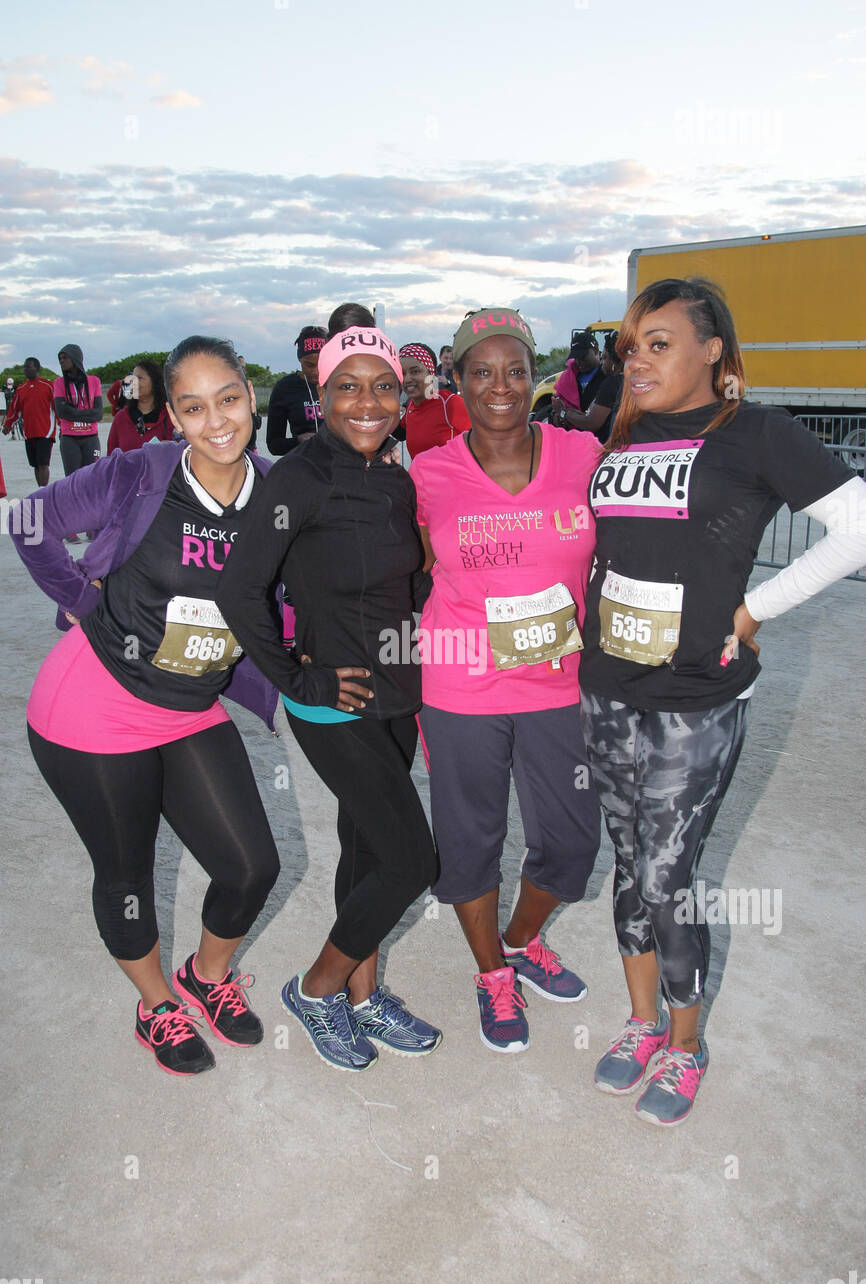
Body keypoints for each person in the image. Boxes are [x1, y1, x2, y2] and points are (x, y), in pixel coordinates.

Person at [578, 276, 866, 1125]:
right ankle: (640, 1022)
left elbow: (858, 527)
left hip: (694, 698)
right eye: (631, 346)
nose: (636, 360)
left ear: (713, 350)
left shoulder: (757, 433)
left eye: (659, 343)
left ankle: (685, 1042)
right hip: (607, 686)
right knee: (629, 867)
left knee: (669, 878)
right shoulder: (620, 437)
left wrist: (753, 611)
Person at [9, 336, 281, 1078]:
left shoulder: (280, 492)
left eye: (228, 398)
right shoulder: (142, 472)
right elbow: (30, 521)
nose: (216, 419)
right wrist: (79, 598)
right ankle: (156, 1003)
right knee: (127, 875)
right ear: (175, 414)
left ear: (249, 397)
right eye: (194, 406)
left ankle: (208, 974)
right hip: (92, 705)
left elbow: (291, 599)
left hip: (191, 705)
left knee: (252, 866)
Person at [218, 325, 441, 1071]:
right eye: (349, 386)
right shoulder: (299, 477)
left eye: (384, 387)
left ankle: (362, 992)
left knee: (369, 848)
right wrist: (296, 678)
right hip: (331, 700)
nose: (368, 402)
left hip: (395, 692)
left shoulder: (395, 476)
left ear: (403, 397)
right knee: (413, 863)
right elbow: (238, 588)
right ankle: (317, 990)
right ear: (320, 395)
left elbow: (405, 584)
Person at [411, 308, 602, 1052]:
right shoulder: (427, 472)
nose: (501, 386)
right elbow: (398, 566)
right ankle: (492, 972)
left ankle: (522, 941)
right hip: (460, 683)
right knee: (470, 837)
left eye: (516, 370)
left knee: (572, 841)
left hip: (559, 681)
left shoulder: (582, 452)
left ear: (536, 378)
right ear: (458, 383)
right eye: (482, 372)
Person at [398, 341, 470, 459]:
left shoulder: (450, 403)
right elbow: (397, 433)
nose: (407, 379)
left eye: (415, 371)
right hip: (417, 477)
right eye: (402, 373)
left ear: (431, 373)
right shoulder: (410, 407)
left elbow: (486, 441)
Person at [266, 326, 326, 456]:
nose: (316, 371)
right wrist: (299, 440)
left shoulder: (340, 383)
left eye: (322, 363)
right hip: (304, 466)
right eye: (309, 365)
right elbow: (274, 445)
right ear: (300, 360)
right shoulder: (284, 388)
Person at [555, 331, 624, 444]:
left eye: (605, 357)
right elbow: (588, 415)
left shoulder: (612, 382)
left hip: (605, 448)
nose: (602, 361)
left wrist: (563, 413)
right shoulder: (628, 380)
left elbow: (591, 422)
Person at [2, 357, 56, 486]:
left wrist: (63, 425)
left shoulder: (48, 385)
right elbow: (14, 409)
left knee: (43, 464)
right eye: (24, 367)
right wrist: (7, 425)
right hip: (28, 432)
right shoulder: (21, 388)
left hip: (45, 432)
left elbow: (57, 407)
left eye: (28, 367)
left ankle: (44, 492)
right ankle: (40, 491)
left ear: (36, 368)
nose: (25, 370)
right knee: (35, 465)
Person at [53, 344, 103, 476]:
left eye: (65, 357)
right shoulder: (59, 383)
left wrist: (73, 412)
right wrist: (88, 413)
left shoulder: (94, 381)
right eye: (60, 358)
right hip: (69, 438)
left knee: (93, 477)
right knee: (72, 479)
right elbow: (61, 412)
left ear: (75, 358)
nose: (61, 361)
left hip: (91, 438)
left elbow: (98, 413)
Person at [106, 359, 174, 452]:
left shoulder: (170, 416)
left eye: (140, 378)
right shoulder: (121, 418)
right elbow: (111, 457)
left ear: (155, 382)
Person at [550, 331, 604, 426]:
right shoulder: (568, 378)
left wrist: (564, 413)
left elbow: (592, 422)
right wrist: (557, 415)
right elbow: (555, 414)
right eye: (576, 357)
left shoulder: (607, 377)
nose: (579, 362)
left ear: (595, 350)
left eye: (582, 357)